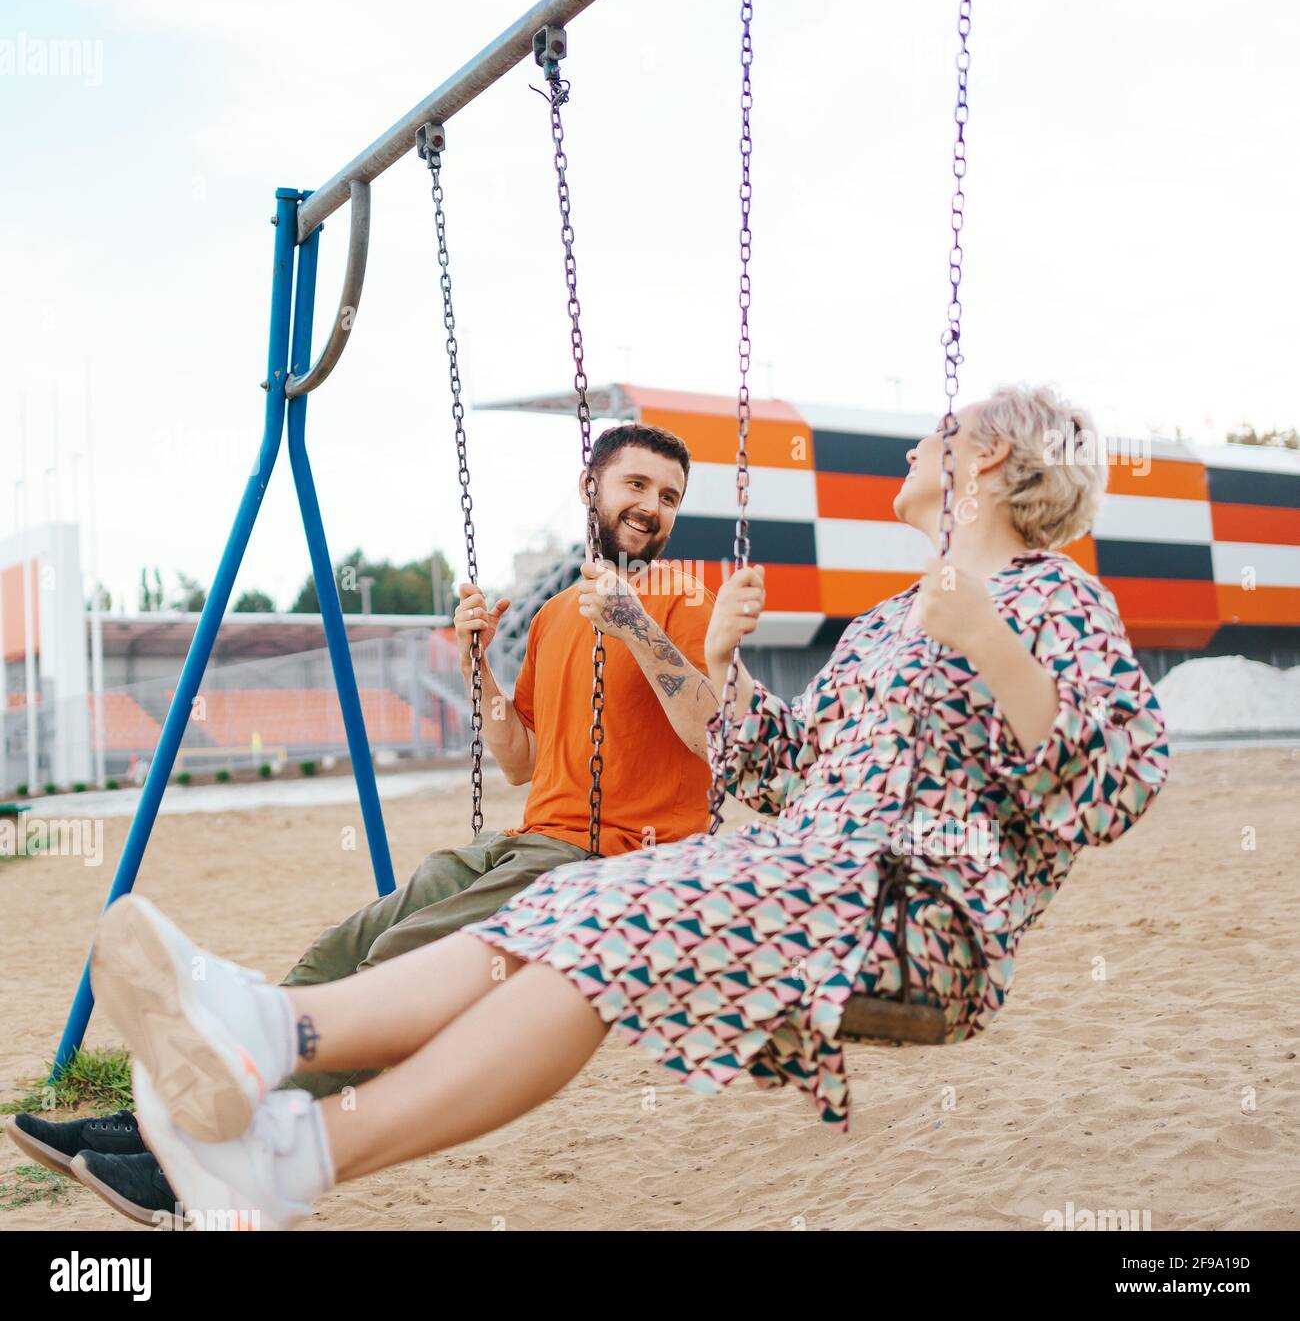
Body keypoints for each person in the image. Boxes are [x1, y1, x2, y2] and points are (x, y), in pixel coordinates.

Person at [86, 385, 1170, 1230]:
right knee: (563, 926)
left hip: (912, 917)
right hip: (811, 880)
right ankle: (276, 1097)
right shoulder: (888, 620)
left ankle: (272, 1071)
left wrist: (983, 634)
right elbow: (783, 768)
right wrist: (731, 665)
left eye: (937, 432)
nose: (908, 450)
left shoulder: (1050, 597)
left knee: (591, 905)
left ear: (985, 456)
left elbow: (1118, 777)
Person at [3, 422, 718, 1226]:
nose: (651, 508)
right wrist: (476, 662)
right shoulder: (554, 616)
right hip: (524, 842)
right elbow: (518, 761)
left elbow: (713, 731)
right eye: (637, 486)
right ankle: (166, 1124)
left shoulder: (688, 602)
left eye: (669, 497)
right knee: (338, 951)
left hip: (607, 860)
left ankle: (209, 1167)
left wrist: (632, 622)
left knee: (392, 964)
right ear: (591, 487)